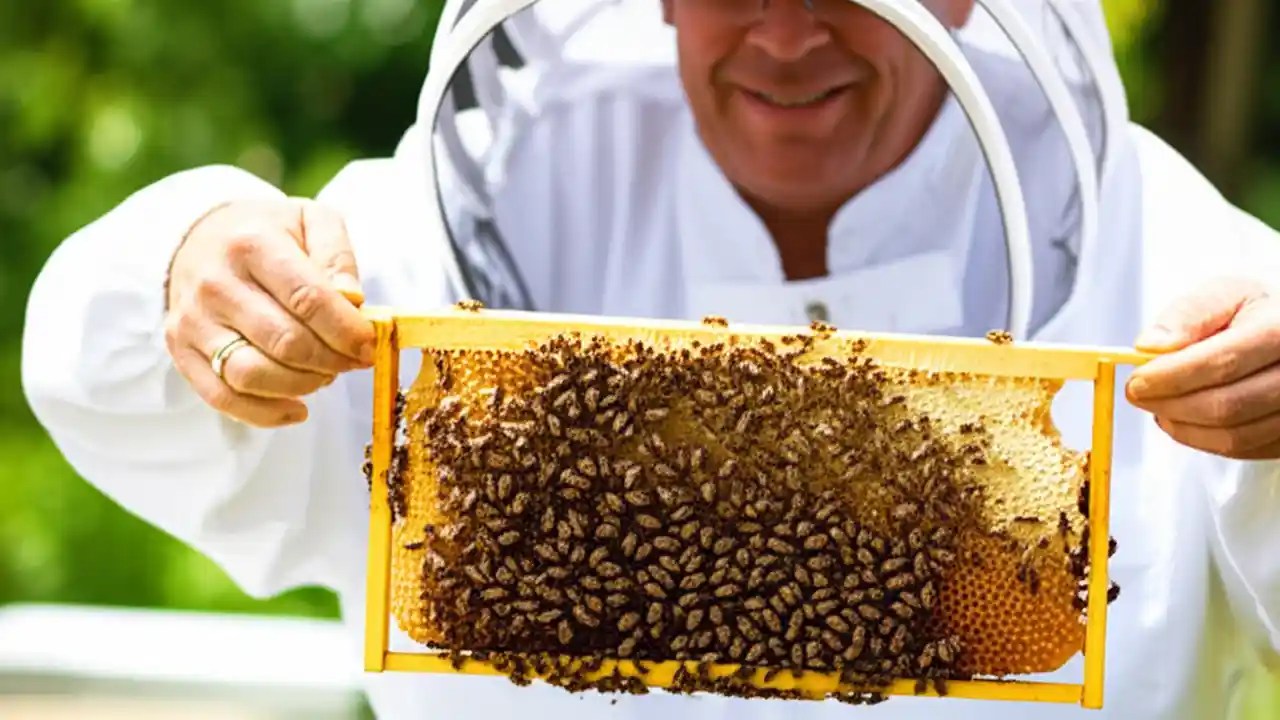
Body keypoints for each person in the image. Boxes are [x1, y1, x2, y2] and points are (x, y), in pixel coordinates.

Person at [19, 0, 1280, 718]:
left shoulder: (1166, 255)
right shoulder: (497, 188)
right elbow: (113, 372)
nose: (787, 34)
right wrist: (195, 264)